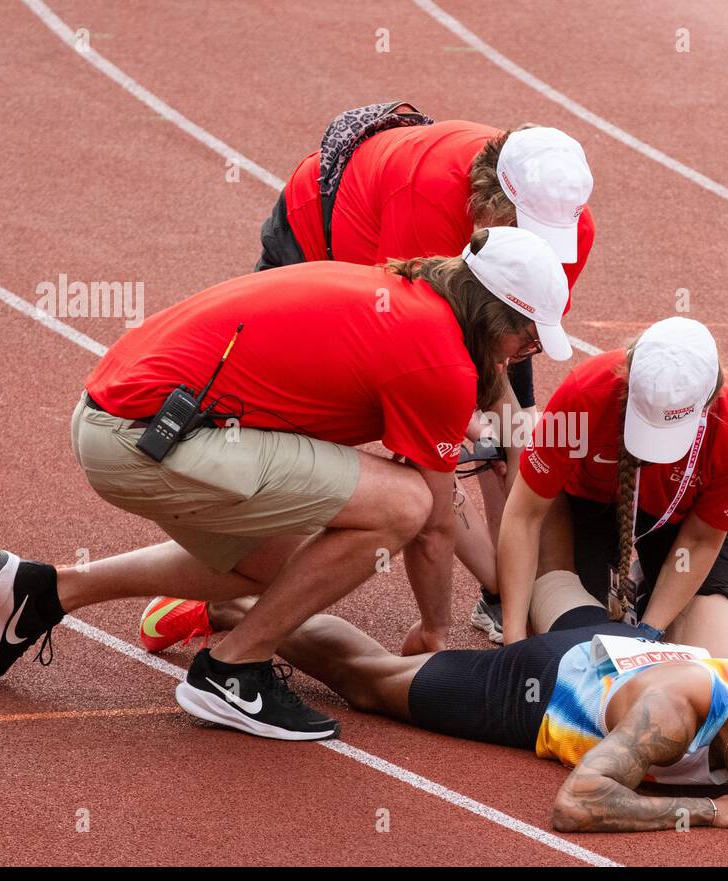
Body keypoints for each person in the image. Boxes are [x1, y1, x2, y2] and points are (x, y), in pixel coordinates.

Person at [0, 227, 571, 742]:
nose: (527, 353)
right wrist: (435, 632)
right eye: (530, 338)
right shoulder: (437, 358)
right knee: (405, 502)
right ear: (494, 317)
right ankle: (232, 669)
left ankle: (48, 590)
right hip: (142, 433)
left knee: (279, 569)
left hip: (125, 417)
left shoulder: (413, 292)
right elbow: (436, 526)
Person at [146, 111, 597, 649]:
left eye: (543, 237)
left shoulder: (570, 232)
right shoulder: (428, 199)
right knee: (313, 440)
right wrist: (435, 625)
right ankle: (225, 582)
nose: (536, 244)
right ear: (487, 204)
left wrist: (517, 582)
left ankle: (502, 594)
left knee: (507, 428)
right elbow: (420, 377)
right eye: (519, 229)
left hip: (466, 290)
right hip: (326, 241)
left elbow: (504, 370)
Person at [265, 603, 728, 831]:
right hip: (544, 682)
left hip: (627, 646)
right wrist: (710, 811)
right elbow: (576, 804)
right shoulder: (670, 721)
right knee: (369, 681)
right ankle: (231, 611)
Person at [496, 317, 728, 658]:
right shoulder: (584, 392)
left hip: (684, 527)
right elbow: (524, 516)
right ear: (626, 372)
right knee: (578, 649)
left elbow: (701, 539)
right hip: (588, 508)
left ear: (708, 403)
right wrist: (514, 639)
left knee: (706, 669)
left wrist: (649, 634)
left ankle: (647, 591)